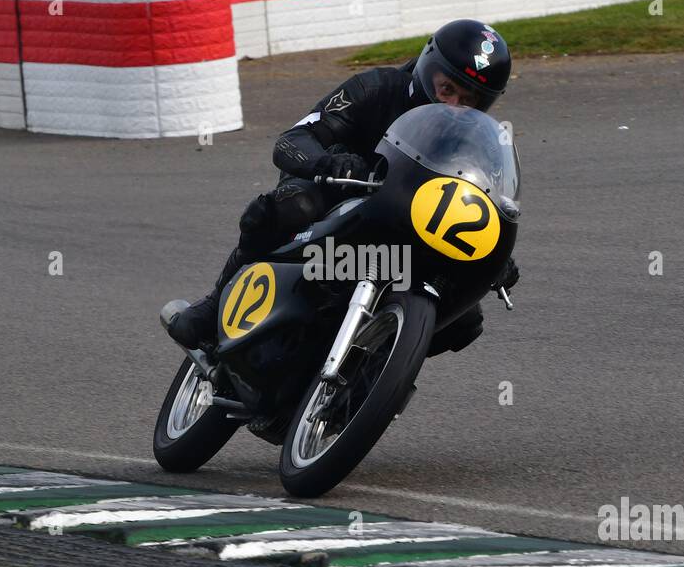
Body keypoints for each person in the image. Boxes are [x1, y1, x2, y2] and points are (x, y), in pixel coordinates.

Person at [164, 18, 520, 356]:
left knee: (465, 321)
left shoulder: (476, 141)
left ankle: (373, 373)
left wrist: (492, 255)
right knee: (293, 206)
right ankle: (214, 307)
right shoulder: (376, 88)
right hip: (336, 193)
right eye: (447, 89)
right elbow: (293, 139)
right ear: (429, 69)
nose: (454, 104)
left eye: (469, 99)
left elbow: (482, 199)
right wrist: (328, 162)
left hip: (405, 224)